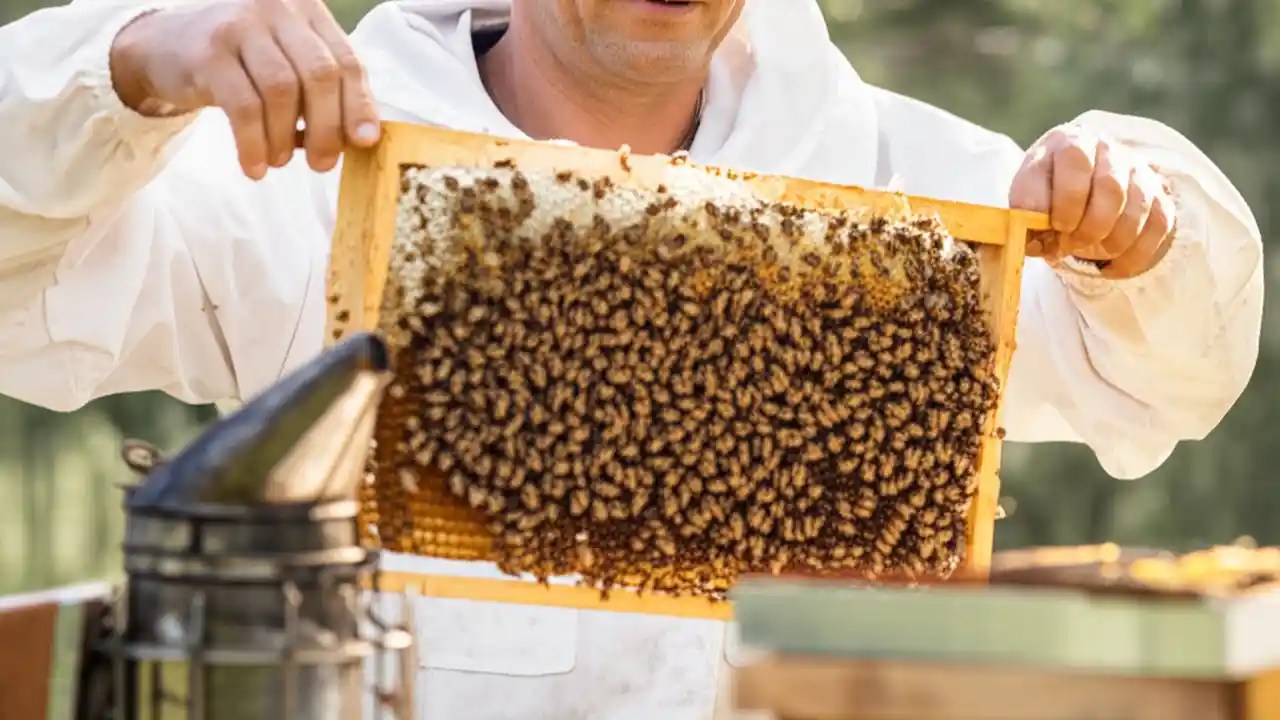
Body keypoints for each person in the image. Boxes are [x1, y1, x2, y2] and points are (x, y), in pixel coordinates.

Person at [0, 0, 1264, 717]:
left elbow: (1169, 372)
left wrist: (1127, 229)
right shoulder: (304, 179)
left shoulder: (909, 194)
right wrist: (128, 62)